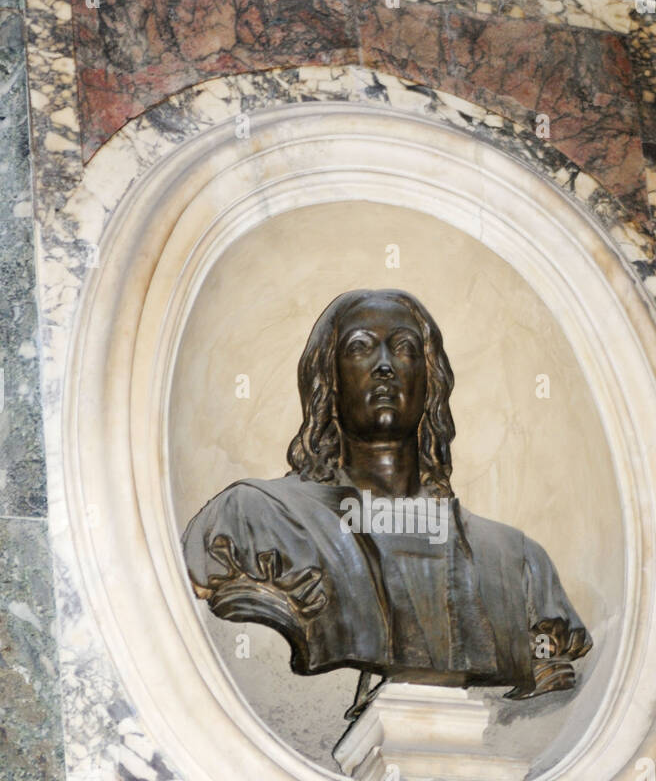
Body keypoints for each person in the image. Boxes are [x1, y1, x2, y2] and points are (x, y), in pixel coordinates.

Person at [182, 289, 591, 716]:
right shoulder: (258, 519)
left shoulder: (517, 562)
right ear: (330, 381)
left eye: (403, 349)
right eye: (359, 348)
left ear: (429, 381)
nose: (384, 366)